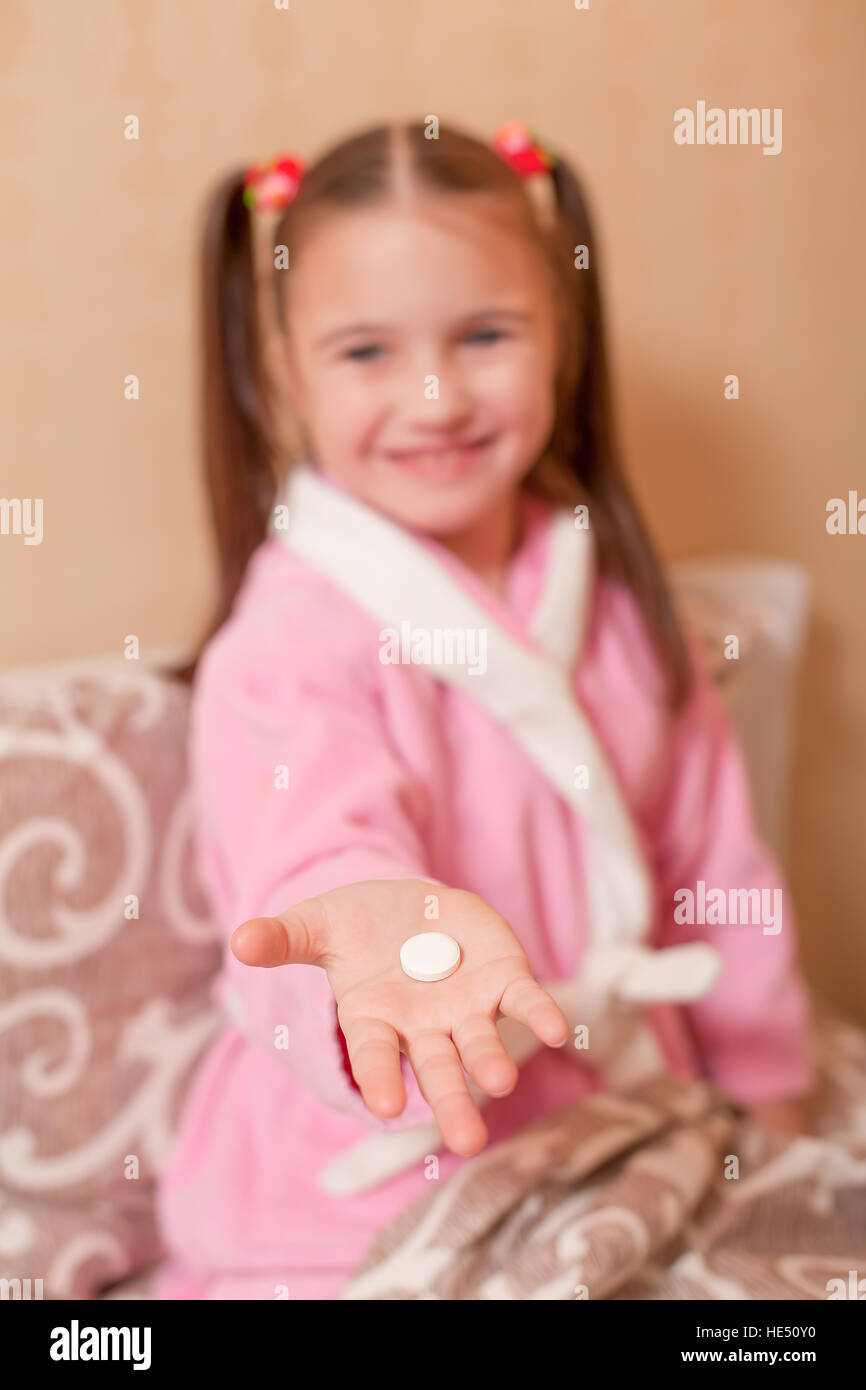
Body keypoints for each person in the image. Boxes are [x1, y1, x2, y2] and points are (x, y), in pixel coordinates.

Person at [154, 119, 815, 1301]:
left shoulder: (612, 604)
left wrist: (765, 1089)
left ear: (559, 338)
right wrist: (366, 932)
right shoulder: (289, 647)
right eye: (365, 351)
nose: (434, 395)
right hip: (360, 1175)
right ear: (284, 369)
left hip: (613, 1109)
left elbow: (717, 865)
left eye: (484, 334)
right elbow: (315, 851)